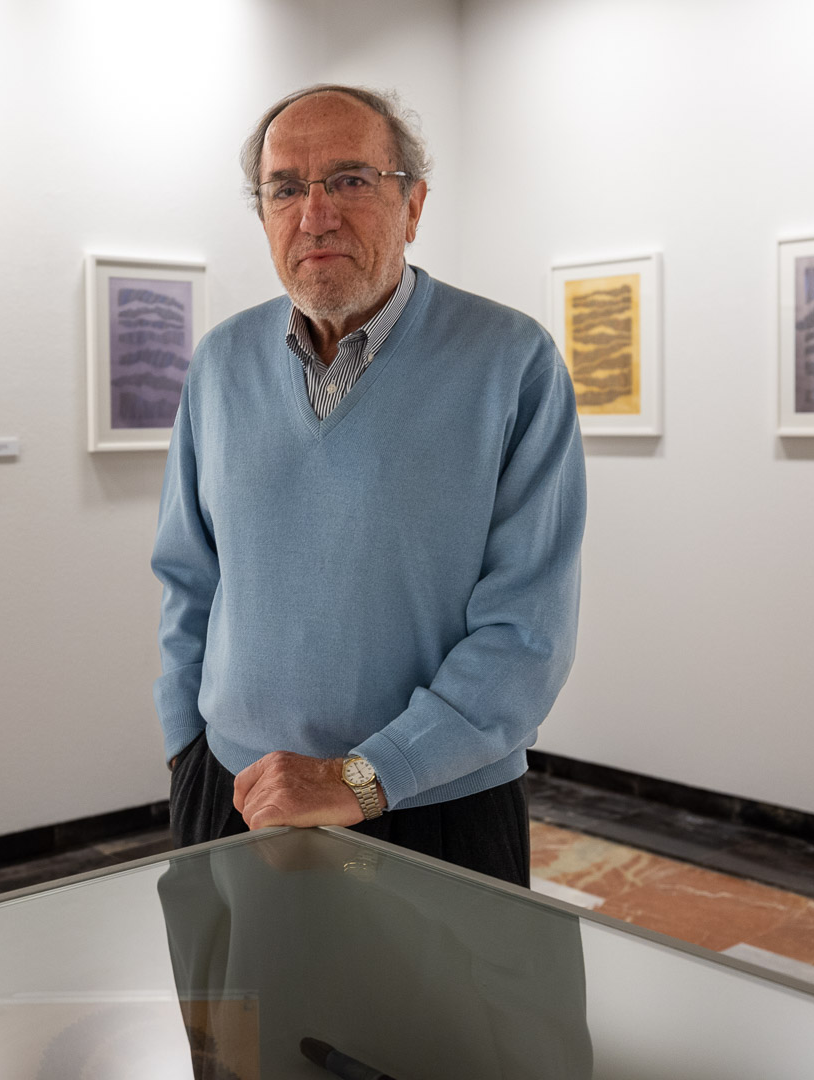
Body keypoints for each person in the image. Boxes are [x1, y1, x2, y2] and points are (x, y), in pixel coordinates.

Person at [150, 84, 586, 886]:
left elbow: (527, 631)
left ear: (413, 205)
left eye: (351, 180)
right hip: (231, 797)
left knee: (437, 1020)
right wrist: (187, 746)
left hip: (433, 809)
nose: (315, 214)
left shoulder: (509, 362)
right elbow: (188, 578)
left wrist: (365, 777)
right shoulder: (217, 364)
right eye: (285, 187)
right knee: (234, 1017)